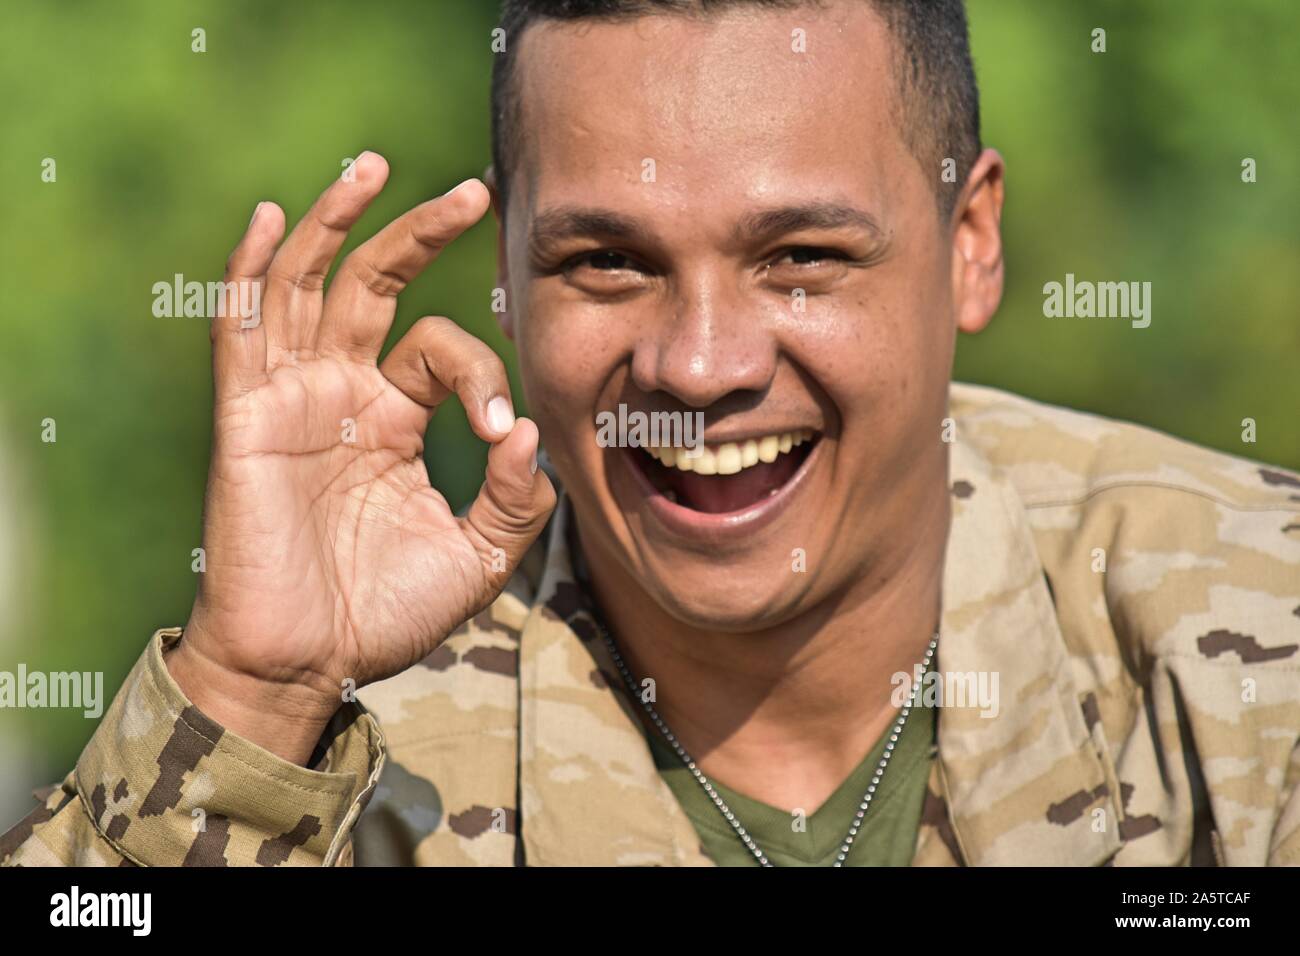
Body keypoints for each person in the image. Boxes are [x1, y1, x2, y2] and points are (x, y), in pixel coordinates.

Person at [3, 0, 1298, 868]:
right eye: (609, 263)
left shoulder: (1251, 641)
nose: (700, 365)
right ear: (506, 270)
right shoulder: (349, 731)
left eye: (798, 257)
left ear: (970, 243)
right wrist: (251, 698)